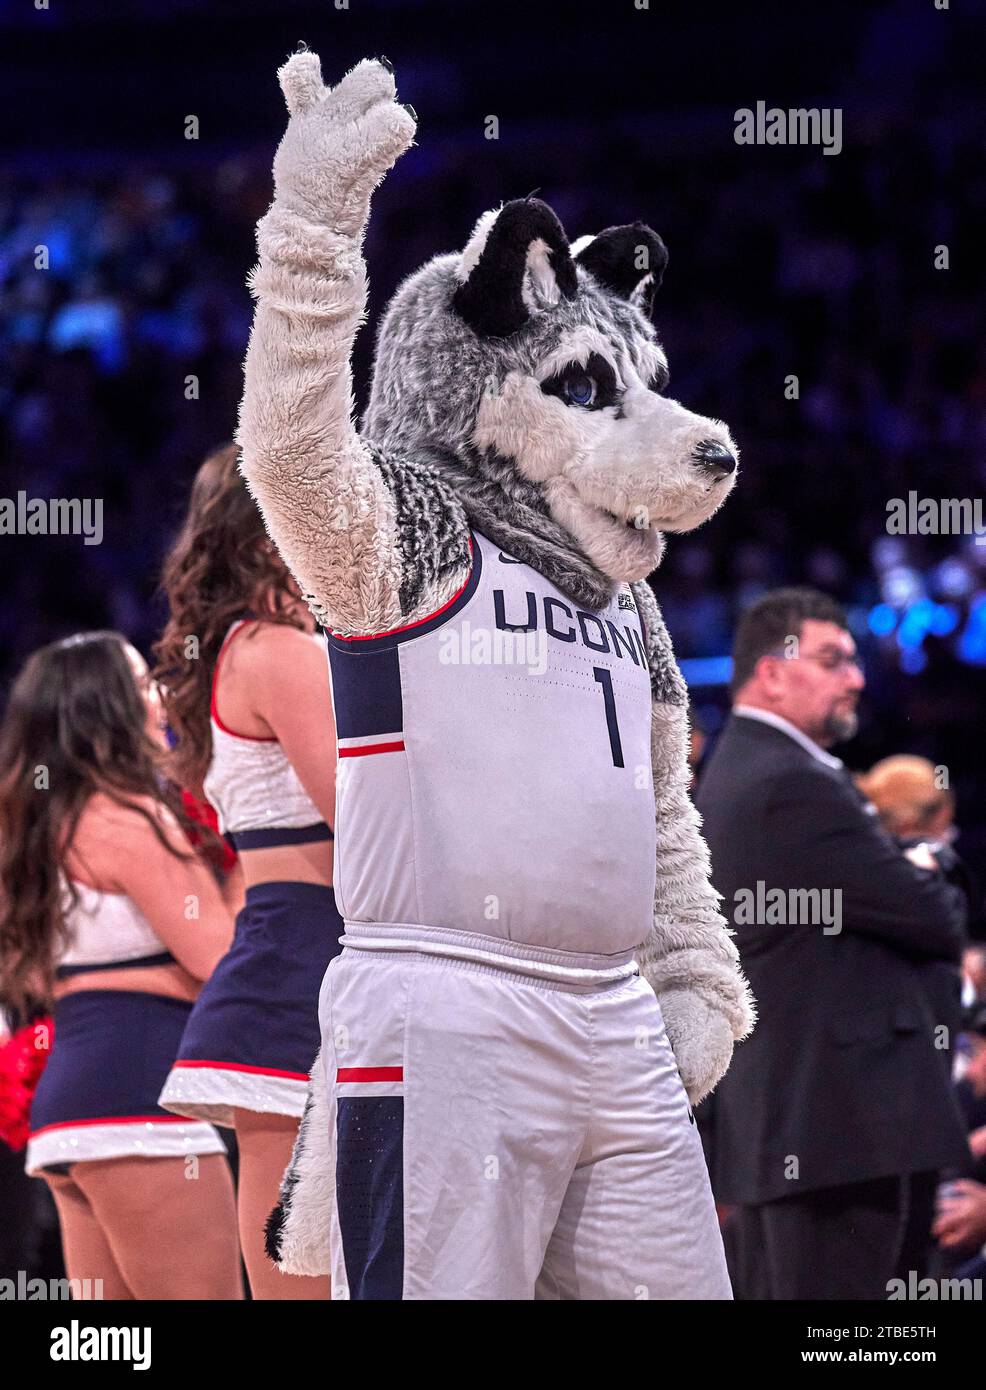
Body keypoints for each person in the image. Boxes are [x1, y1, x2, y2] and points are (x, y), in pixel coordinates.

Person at [696, 587, 970, 1300]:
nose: (855, 677)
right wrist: (929, 859)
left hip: (807, 1131)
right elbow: (934, 919)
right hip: (838, 1134)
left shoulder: (748, 767)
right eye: (832, 659)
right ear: (773, 671)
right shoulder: (790, 783)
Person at [0, 632, 242, 1299]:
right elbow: (221, 958)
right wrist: (255, 843)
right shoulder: (127, 817)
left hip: (68, 1119)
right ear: (103, 711)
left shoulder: (34, 828)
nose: (159, 696)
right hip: (143, 1102)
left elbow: (54, 985)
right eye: (139, 684)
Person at [154, 443, 339, 1299]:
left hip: (286, 966)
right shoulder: (278, 650)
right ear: (273, 529)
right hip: (309, 968)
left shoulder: (239, 648)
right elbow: (366, 816)